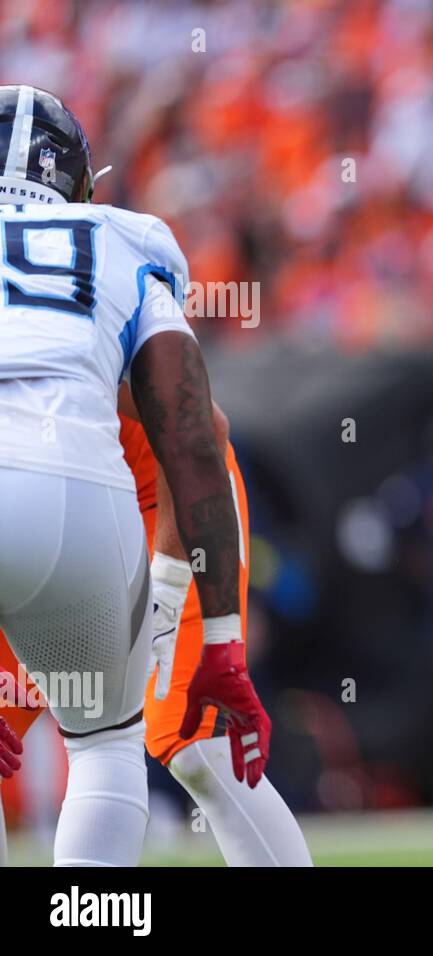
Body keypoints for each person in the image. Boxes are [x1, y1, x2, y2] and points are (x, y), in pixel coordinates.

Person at [0, 85, 267, 866]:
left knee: (173, 741)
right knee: (106, 745)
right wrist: (224, 642)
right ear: (83, 188)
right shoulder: (123, 239)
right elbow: (192, 436)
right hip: (81, 491)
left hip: (124, 501)